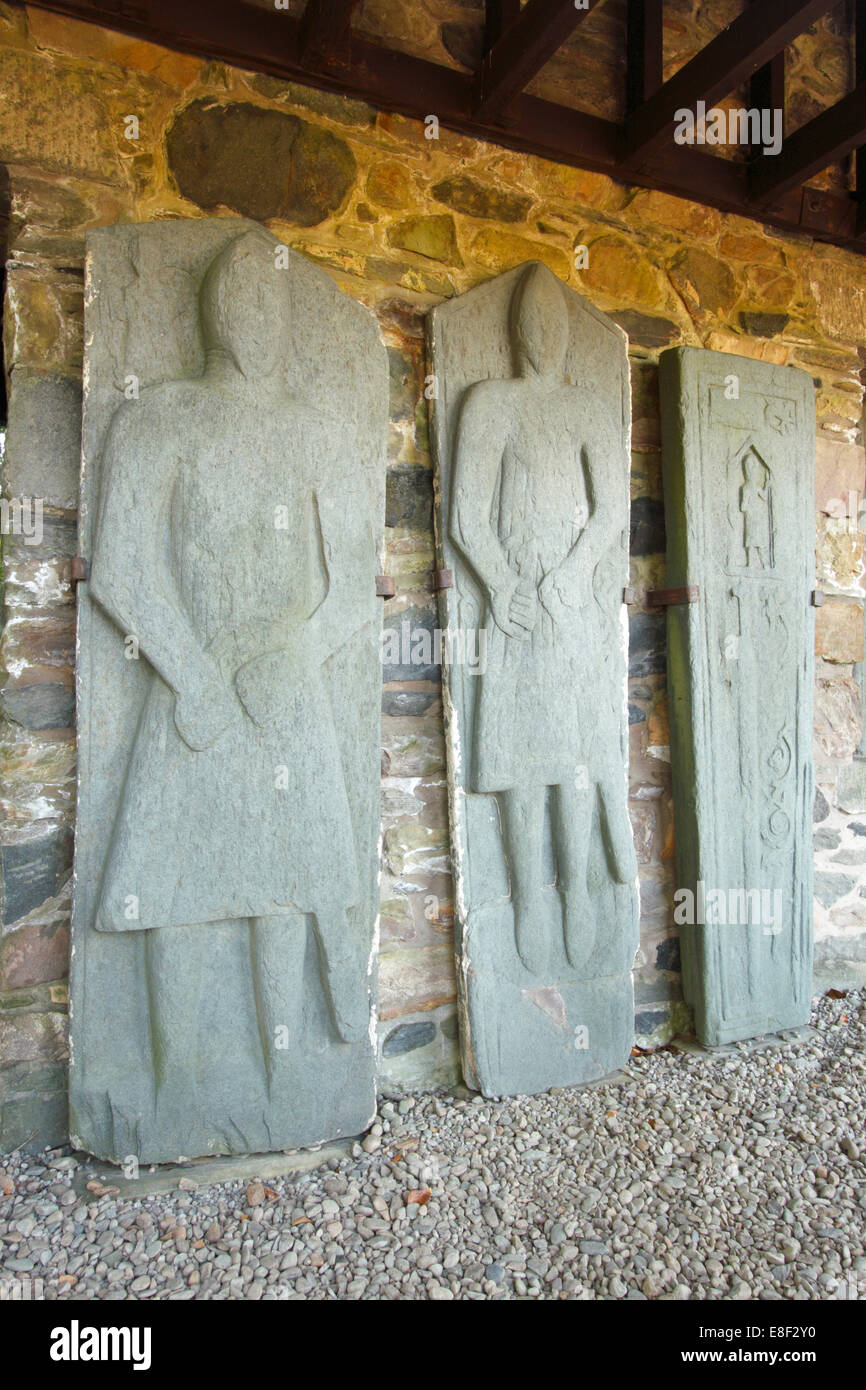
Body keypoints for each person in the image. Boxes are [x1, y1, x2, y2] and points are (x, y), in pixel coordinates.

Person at [89, 230, 370, 1114]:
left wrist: (298, 655)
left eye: (269, 302)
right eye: (239, 300)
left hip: (283, 692)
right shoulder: (160, 418)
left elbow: (356, 580)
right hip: (192, 692)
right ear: (214, 311)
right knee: (174, 889)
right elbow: (122, 568)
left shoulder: (316, 434)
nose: (255, 318)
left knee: (285, 883)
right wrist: (192, 674)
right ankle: (172, 1082)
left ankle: (284, 1079)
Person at [450, 262, 636, 973]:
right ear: (517, 331)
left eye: (554, 324)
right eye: (533, 324)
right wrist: (500, 585)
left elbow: (611, 509)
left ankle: (581, 888)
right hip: (517, 607)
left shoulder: (588, 409)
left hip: (573, 604)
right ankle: (530, 892)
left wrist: (575, 571)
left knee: (579, 755)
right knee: (526, 757)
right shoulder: (489, 403)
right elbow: (467, 513)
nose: (543, 335)